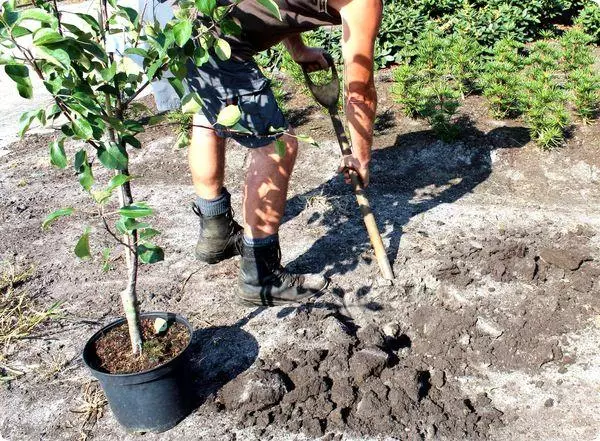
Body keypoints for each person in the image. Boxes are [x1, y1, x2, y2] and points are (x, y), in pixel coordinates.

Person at [187, 0, 383, 306]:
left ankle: (216, 232)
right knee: (277, 145)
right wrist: (361, 157)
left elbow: (282, 9)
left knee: (208, 118)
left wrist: (298, 50)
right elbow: (359, 90)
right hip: (222, 43)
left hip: (191, 30)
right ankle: (260, 277)